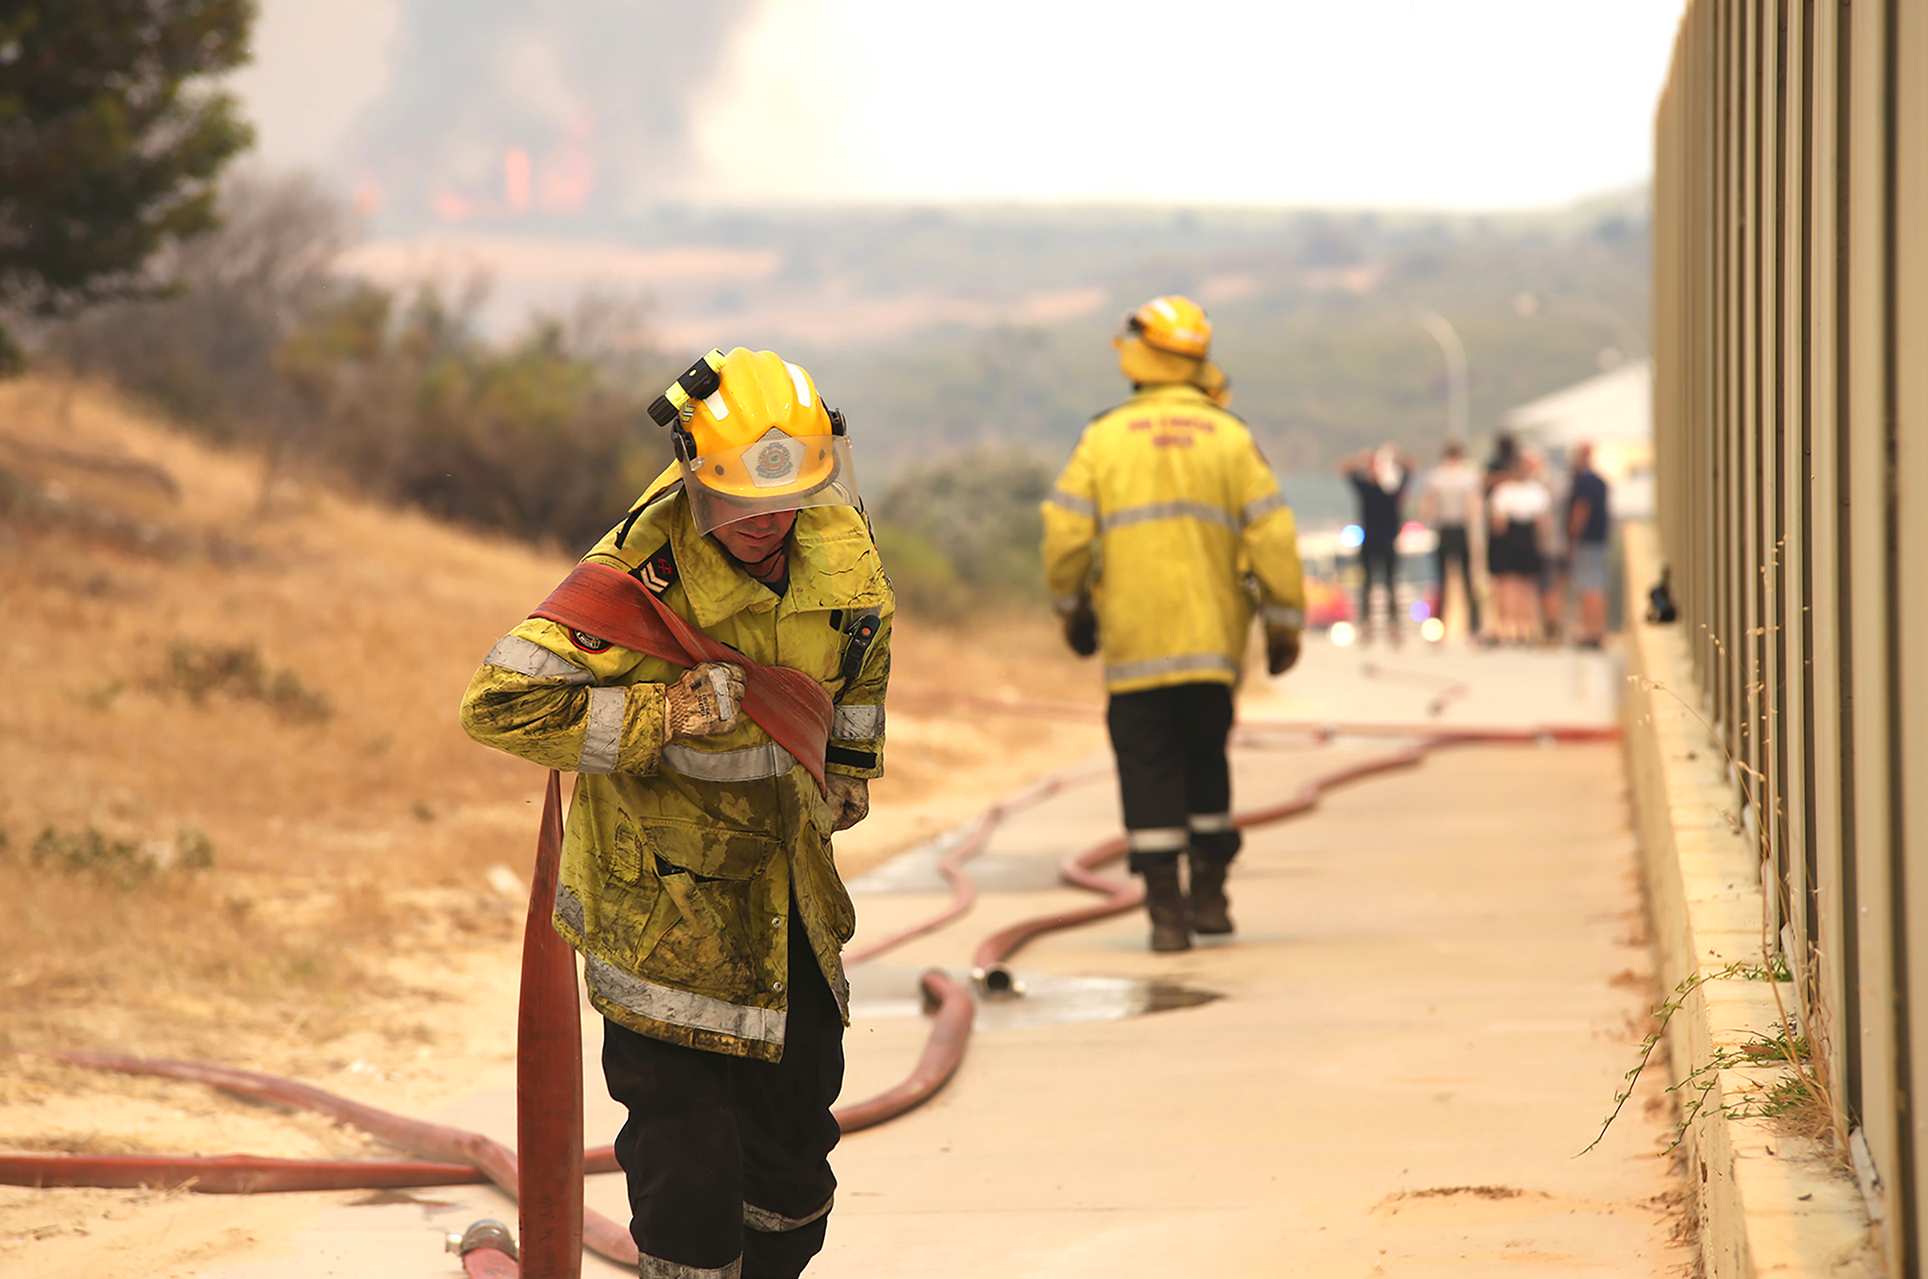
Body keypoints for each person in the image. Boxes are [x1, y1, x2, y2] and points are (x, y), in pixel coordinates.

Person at [460, 347, 892, 1279]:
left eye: (790, 497)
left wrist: (852, 762)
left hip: (787, 903)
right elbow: (497, 704)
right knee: (688, 1188)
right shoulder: (634, 576)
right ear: (696, 475)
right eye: (742, 500)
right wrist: (665, 711)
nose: (768, 520)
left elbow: (864, 646)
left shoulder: (839, 540)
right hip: (660, 909)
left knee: (794, 1178)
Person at [1042, 295, 1306, 953]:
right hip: (1213, 646)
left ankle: (1166, 913)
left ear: (1137, 353)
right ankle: (1210, 897)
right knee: (1206, 760)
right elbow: (1273, 538)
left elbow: (1066, 535)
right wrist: (1283, 626)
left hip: (1134, 648)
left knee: (1148, 768)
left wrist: (1073, 609)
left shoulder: (1103, 438)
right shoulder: (1229, 436)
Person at [1341, 445, 1412, 645]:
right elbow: (1345, 470)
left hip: (1389, 542)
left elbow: (1410, 468)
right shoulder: (1365, 488)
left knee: (1390, 585)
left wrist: (1392, 458)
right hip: (1369, 542)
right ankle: (1366, 626)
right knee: (1367, 586)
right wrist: (1363, 460)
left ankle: (1393, 626)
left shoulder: (1392, 489)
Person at [1486, 450, 1554, 644]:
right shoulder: (1536, 492)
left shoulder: (1504, 491)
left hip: (1512, 538)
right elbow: (1543, 524)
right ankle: (1523, 627)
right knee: (1523, 586)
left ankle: (1513, 627)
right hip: (1525, 538)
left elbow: (1498, 523)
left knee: (1512, 585)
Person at [1416, 439, 1482, 637]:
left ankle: (1468, 626)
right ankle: (1456, 626)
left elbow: (1472, 507)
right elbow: (1473, 508)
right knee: (1448, 580)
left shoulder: (1452, 476)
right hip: (1451, 528)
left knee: (1458, 579)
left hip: (1453, 528)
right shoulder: (1454, 477)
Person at [1565, 441, 1613, 648]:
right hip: (1600, 539)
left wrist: (1572, 537)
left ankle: (1590, 630)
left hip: (1587, 540)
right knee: (1597, 585)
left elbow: (1581, 510)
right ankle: (1598, 629)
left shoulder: (1583, 481)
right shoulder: (1600, 480)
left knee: (1588, 587)